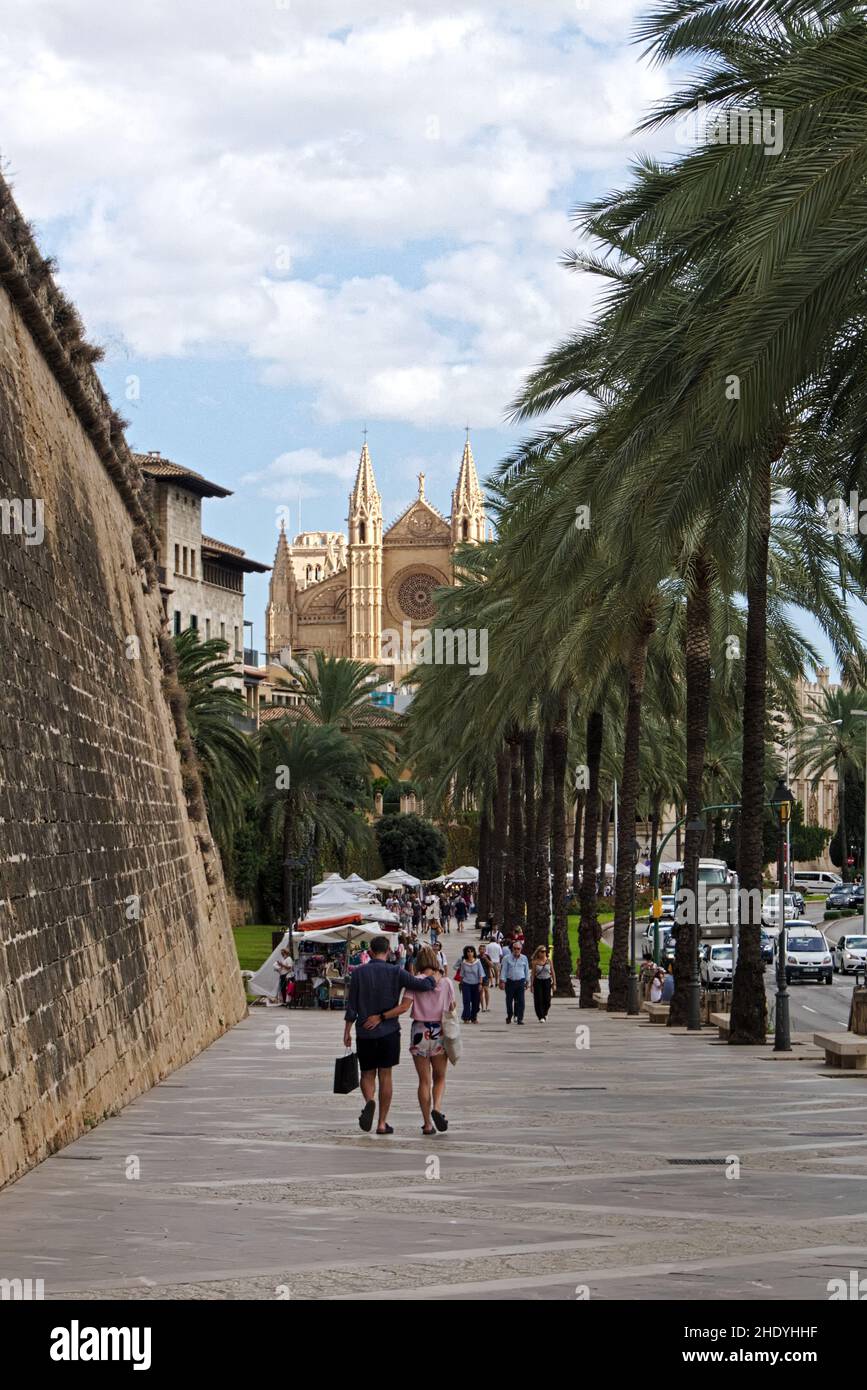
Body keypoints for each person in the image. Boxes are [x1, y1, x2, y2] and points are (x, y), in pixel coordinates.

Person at [343, 935, 436, 1135]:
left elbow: (352, 1005)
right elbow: (423, 985)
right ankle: (382, 1123)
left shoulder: (358, 973)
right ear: (388, 951)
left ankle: (369, 1101)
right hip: (389, 1031)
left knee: (367, 1073)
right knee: (385, 1074)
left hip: (365, 1032)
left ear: (369, 952)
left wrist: (347, 1031)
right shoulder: (396, 972)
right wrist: (432, 974)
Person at [408, 945, 456, 1135]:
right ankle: (437, 1108)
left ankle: (427, 1123)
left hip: (419, 1030)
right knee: (440, 1076)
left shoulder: (414, 981)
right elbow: (452, 1006)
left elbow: (406, 1004)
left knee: (424, 1080)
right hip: (439, 1030)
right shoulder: (446, 982)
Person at [500, 939, 530, 1024]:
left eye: (518, 949)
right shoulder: (506, 958)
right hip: (510, 982)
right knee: (509, 1001)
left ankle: (520, 1019)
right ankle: (510, 1015)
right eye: (515, 948)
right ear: (512, 949)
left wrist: (527, 981)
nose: (516, 950)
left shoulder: (524, 958)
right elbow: (504, 970)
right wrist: (502, 981)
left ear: (521, 949)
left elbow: (526, 970)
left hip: (520, 981)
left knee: (521, 1001)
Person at [458, 945, 484, 1023]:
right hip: (466, 984)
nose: (470, 953)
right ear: (466, 953)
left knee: (476, 1002)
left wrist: (480, 984)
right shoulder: (464, 962)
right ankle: (466, 1017)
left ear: (474, 953)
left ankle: (474, 1017)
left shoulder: (478, 962)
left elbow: (481, 974)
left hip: (476, 984)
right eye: (468, 952)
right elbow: (462, 974)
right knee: (466, 1000)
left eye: (471, 951)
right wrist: (461, 984)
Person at [530, 945, 556, 1022]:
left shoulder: (549, 961)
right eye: (542, 951)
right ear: (538, 953)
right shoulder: (535, 962)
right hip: (538, 982)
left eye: (545, 951)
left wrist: (554, 983)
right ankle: (541, 1016)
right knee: (539, 999)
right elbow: (533, 974)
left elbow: (553, 972)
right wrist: (531, 985)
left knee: (547, 1000)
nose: (544, 953)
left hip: (547, 981)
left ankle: (545, 1013)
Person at [478, 945, 491, 1012]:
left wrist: (486, 959)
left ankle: (487, 1006)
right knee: (481, 991)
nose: (482, 951)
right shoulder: (477, 957)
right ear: (479, 950)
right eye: (481, 949)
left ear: (485, 950)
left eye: (483, 949)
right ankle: (482, 1007)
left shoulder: (487, 956)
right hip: (479, 976)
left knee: (486, 990)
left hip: (486, 975)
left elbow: (491, 965)